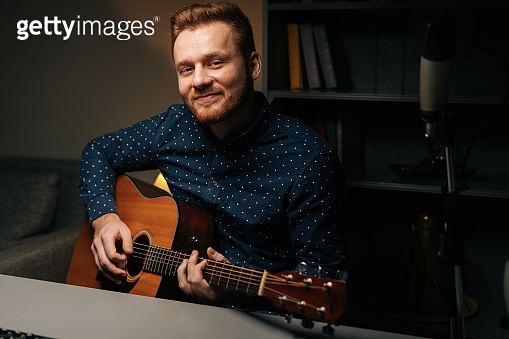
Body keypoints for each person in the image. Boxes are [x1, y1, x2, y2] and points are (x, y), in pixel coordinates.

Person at [79, 1, 346, 308]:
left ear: (253, 65)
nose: (199, 80)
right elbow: (97, 151)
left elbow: (320, 279)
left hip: (258, 319)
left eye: (215, 63)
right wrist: (104, 219)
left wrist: (236, 292)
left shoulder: (310, 161)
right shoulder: (172, 127)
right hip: (164, 306)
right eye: (186, 68)